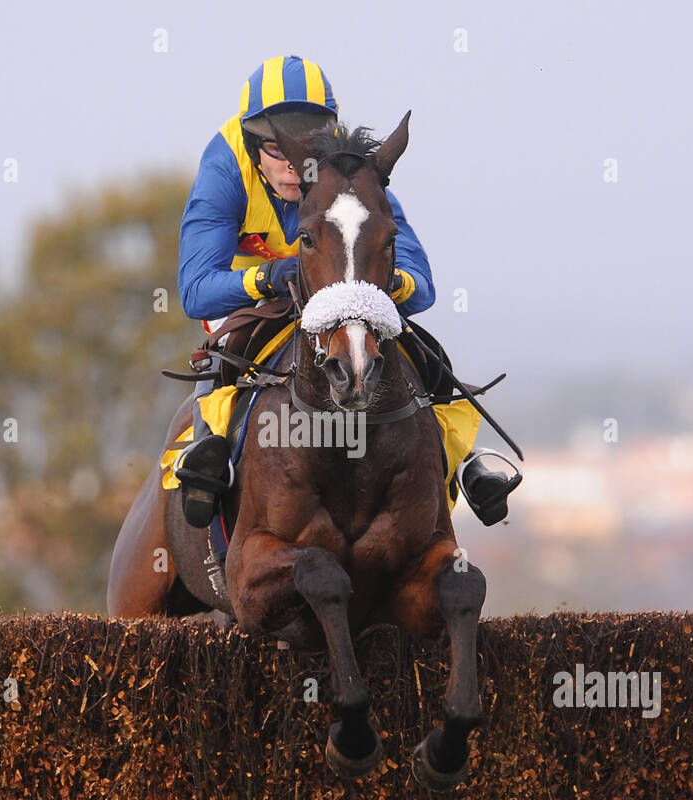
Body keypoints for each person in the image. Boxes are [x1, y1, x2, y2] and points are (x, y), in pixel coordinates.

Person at [173, 54, 519, 528]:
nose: (294, 166)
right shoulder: (224, 170)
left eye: (304, 146)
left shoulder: (349, 174)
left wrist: (382, 285)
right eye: (278, 150)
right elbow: (195, 290)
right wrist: (267, 278)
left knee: (414, 344)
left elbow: (422, 287)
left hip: (332, 291)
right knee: (227, 348)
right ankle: (206, 453)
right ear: (253, 145)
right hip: (245, 291)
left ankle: (463, 460)